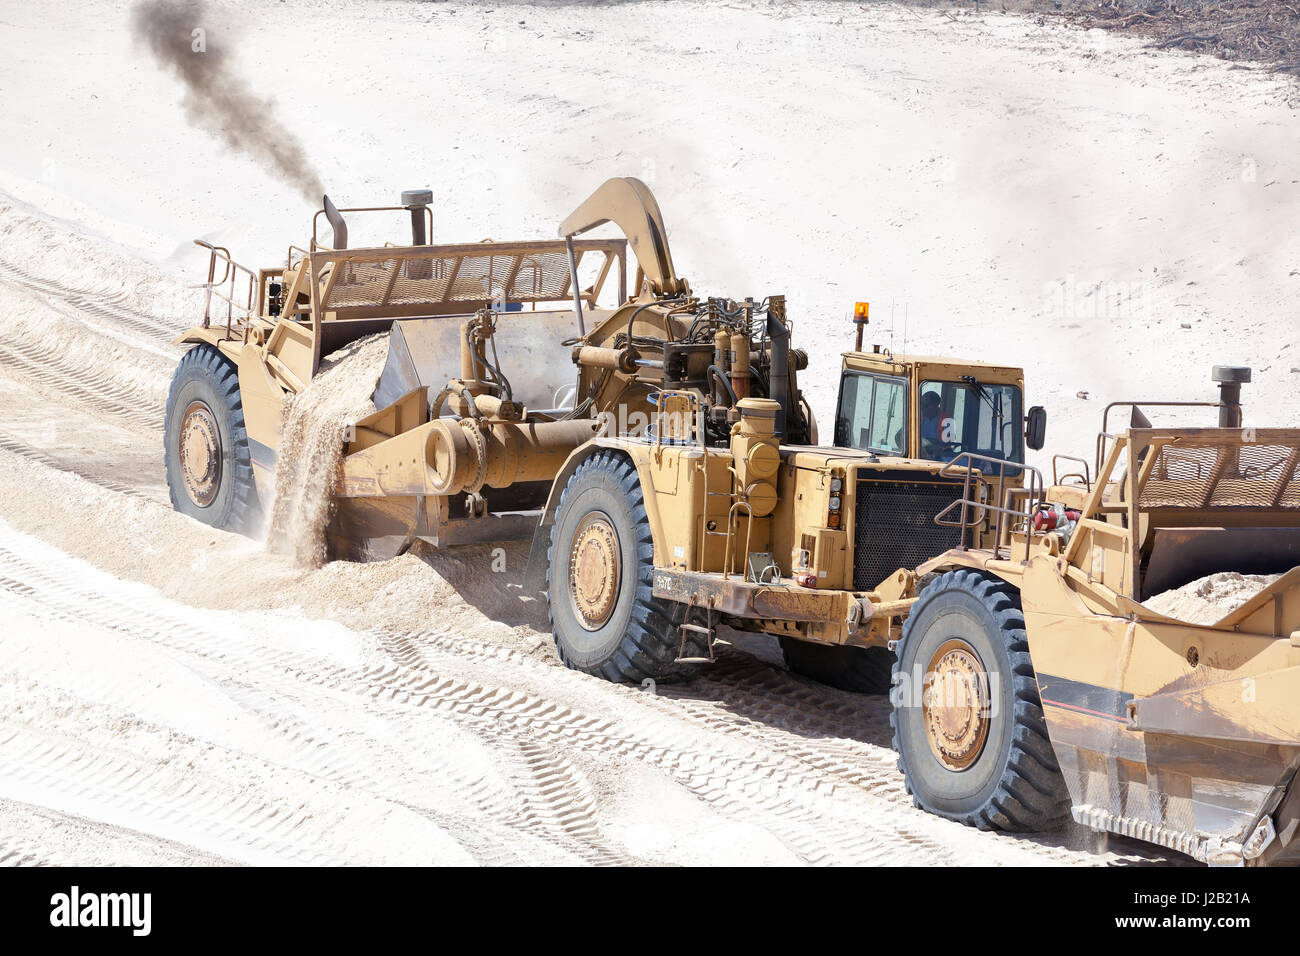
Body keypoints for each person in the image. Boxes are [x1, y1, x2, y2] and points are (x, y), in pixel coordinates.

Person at [919, 390, 954, 460]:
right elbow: (900, 436)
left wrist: (930, 447)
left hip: (940, 457)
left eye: (925, 406)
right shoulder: (918, 418)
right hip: (919, 455)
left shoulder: (947, 420)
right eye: (921, 405)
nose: (922, 408)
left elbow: (947, 444)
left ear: (935, 405)